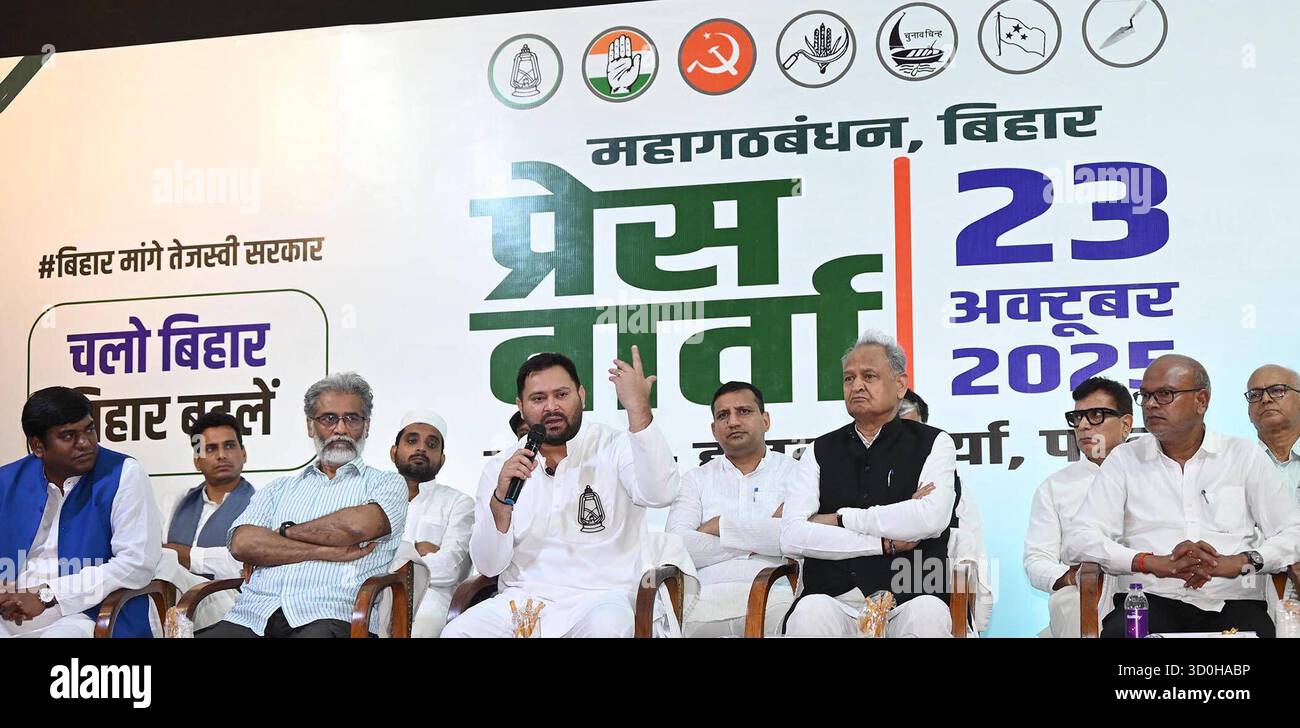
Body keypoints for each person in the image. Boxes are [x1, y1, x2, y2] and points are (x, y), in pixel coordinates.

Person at [442, 347, 679, 637]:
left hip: (601, 599)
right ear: (521, 406)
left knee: (609, 627)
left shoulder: (614, 447)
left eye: (561, 395)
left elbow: (661, 493)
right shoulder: (502, 467)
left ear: (581, 395)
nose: (551, 407)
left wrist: (639, 410)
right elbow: (489, 565)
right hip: (522, 603)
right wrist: (501, 501)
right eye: (538, 398)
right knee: (458, 632)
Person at [1065, 355, 1300, 637]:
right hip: (1148, 601)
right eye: (1146, 396)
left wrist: (1242, 561)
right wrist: (1148, 561)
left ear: (1201, 400)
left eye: (1165, 394)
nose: (1151, 404)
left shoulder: (1243, 456)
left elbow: (1293, 533)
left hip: (1235, 599)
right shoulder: (1124, 460)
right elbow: (1078, 538)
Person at [196, 373, 407, 638]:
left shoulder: (386, 483)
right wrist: (327, 550)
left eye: (352, 418)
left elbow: (354, 528)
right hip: (253, 616)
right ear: (311, 426)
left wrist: (282, 533)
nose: (340, 429)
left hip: (331, 616)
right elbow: (242, 543)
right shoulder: (279, 488)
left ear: (366, 427)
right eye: (329, 419)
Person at [780, 330, 957, 637]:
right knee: (808, 613)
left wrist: (839, 518)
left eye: (869, 376)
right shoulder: (819, 451)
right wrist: (884, 541)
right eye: (849, 379)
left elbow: (930, 518)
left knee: (929, 614)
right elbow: (792, 536)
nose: (857, 385)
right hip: (835, 597)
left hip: (912, 592)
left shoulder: (934, 443)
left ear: (900, 385)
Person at [0, 387, 160, 638]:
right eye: (68, 435)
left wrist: (47, 594)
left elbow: (136, 564)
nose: (85, 443)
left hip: (88, 614)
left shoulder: (123, 474)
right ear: (38, 446)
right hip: (13, 612)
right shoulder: (7, 481)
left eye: (89, 429)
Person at [667, 381, 798, 637]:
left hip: (775, 590)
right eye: (723, 415)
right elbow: (677, 544)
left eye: (744, 411)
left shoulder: (796, 474)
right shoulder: (695, 479)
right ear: (714, 430)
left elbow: (793, 538)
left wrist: (717, 527)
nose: (733, 421)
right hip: (703, 597)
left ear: (766, 420)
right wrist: (761, 536)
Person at [1023, 377, 1132, 637]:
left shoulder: (1155, 472)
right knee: (1071, 600)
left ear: (1126, 424)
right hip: (1083, 593)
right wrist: (1073, 577)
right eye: (1077, 417)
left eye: (1095, 415)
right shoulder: (1056, 487)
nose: (1083, 426)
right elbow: (1037, 561)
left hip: (1145, 587)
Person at [159, 410, 254, 629]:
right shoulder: (174, 501)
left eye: (229, 446)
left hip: (235, 606)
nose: (221, 455)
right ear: (197, 461)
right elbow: (157, 555)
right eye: (210, 449)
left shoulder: (261, 502)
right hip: (174, 604)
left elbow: (241, 563)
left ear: (244, 454)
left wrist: (183, 555)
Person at [390, 409, 473, 637]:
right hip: (375, 592)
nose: (421, 448)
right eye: (412, 440)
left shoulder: (459, 503)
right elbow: (360, 561)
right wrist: (415, 550)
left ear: (442, 459)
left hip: (431, 598)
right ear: (394, 452)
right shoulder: (373, 501)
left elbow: (449, 570)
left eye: (432, 444)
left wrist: (389, 558)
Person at [1245, 364, 1300, 503]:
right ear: (1249, 413)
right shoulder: (1237, 466)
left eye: (1277, 390)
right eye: (1255, 394)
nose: (1265, 399)